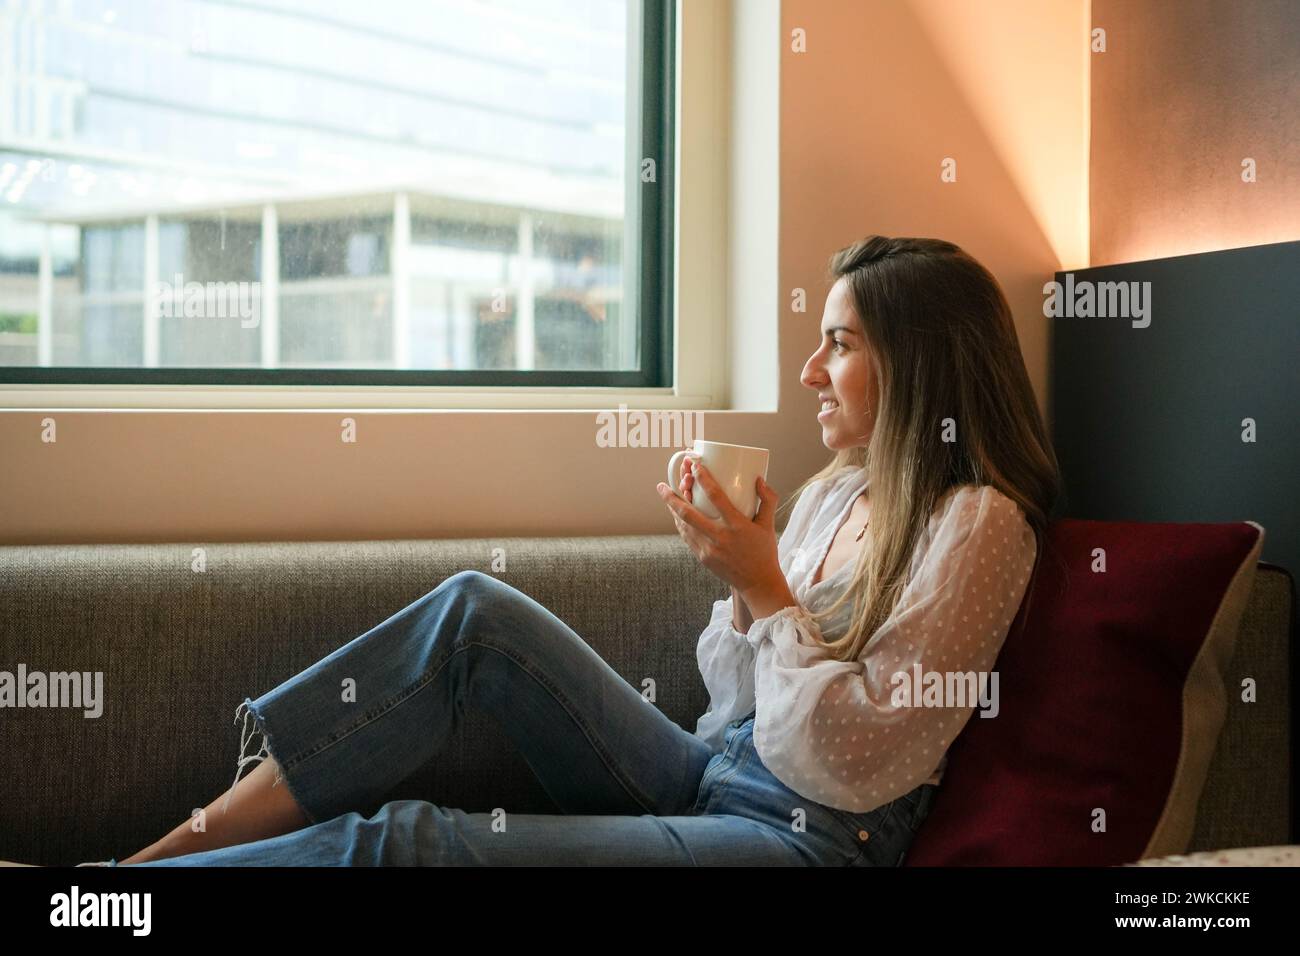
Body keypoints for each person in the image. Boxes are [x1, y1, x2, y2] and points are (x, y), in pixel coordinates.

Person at [92, 235, 1060, 867]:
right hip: (720, 770)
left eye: (838, 343)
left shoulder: (979, 523)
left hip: (809, 837)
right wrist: (737, 584)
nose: (809, 370)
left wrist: (764, 587)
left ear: (920, 359)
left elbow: (852, 758)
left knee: (406, 841)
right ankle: (143, 865)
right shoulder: (837, 490)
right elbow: (736, 705)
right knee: (474, 611)